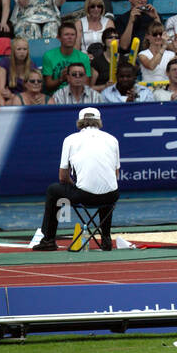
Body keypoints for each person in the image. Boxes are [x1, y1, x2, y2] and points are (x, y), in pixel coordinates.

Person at [34, 107, 119, 251]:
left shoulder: (70, 140)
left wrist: (76, 186)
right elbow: (115, 174)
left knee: (53, 190)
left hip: (85, 196)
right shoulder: (112, 139)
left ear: (79, 122)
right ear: (99, 121)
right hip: (111, 197)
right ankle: (106, 239)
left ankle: (48, 240)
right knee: (107, 186)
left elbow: (63, 177)